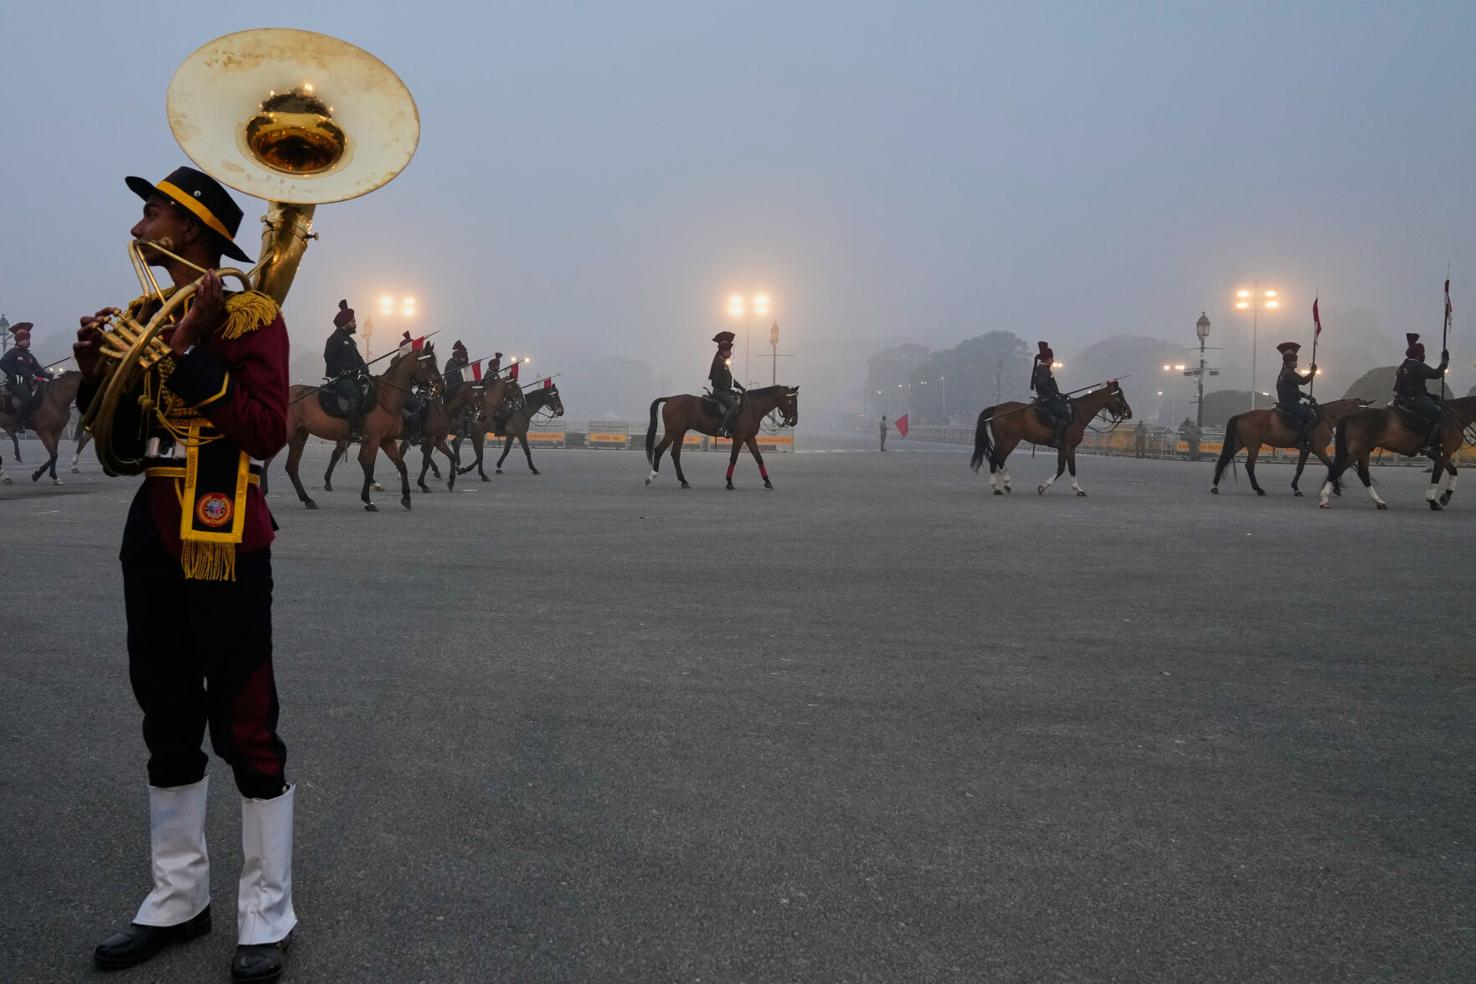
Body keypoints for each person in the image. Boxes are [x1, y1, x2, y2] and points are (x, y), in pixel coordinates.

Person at [73, 165, 297, 984]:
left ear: (193, 226)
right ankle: (177, 898)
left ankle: (266, 911)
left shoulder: (249, 312)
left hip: (227, 533)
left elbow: (266, 430)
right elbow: (119, 444)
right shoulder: (137, 312)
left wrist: (191, 352)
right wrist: (99, 372)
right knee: (165, 715)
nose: (144, 216)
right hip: (153, 537)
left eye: (158, 208)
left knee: (246, 722)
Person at [1393, 332, 1449, 450]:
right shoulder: (1417, 365)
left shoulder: (1403, 365)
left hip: (1403, 398)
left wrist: (1429, 395)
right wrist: (1444, 361)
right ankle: (1430, 446)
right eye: (1423, 353)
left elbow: (1410, 385)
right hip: (1415, 399)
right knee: (1441, 417)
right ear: (1419, 355)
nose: (1424, 355)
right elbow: (1436, 374)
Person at [323, 299, 369, 440]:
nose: (356, 324)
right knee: (356, 395)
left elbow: (358, 357)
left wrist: (364, 367)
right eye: (353, 321)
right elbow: (329, 357)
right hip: (340, 379)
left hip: (352, 378)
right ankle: (353, 431)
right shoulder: (334, 339)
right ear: (345, 323)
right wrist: (341, 371)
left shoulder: (350, 340)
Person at [1, 322, 53, 430]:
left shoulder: (29, 356)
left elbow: (38, 369)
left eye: (28, 339)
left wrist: (47, 375)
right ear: (18, 341)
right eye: (25, 339)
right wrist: (12, 374)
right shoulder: (13, 353)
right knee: (27, 399)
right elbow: (2, 363)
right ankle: (18, 424)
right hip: (16, 382)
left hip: (29, 382)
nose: (27, 341)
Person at [1273, 341, 1318, 449]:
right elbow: (1303, 381)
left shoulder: (1285, 372)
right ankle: (1301, 441)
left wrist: (1306, 396)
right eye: (1294, 361)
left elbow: (1293, 390)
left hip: (1288, 401)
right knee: (1311, 416)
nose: (1296, 363)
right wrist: (1313, 372)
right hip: (1290, 403)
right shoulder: (1288, 373)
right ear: (1288, 362)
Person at [1029, 341, 1070, 448]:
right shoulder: (1044, 370)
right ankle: (1057, 440)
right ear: (1047, 359)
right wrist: (1054, 395)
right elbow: (1043, 385)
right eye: (1052, 358)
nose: (1053, 360)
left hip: (1049, 397)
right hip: (1047, 399)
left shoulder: (1043, 369)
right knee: (1064, 414)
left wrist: (1059, 394)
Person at [709, 331, 744, 437]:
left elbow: (730, 380)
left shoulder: (722, 361)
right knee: (734, 405)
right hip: (719, 392)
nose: (730, 353)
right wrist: (727, 388)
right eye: (729, 351)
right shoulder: (720, 363)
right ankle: (723, 429)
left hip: (723, 390)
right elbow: (716, 381)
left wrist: (741, 388)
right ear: (723, 351)